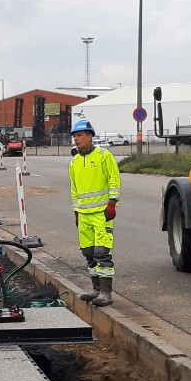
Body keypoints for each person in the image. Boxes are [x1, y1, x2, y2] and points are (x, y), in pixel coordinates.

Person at [68, 117, 119, 307]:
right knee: (89, 254)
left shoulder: (104, 156)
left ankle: (106, 293)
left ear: (90, 136)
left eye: (80, 135)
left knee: (102, 254)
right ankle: (96, 290)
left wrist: (112, 203)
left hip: (101, 214)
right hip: (83, 215)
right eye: (74, 136)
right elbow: (74, 190)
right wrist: (76, 212)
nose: (76, 139)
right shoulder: (74, 163)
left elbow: (114, 180)